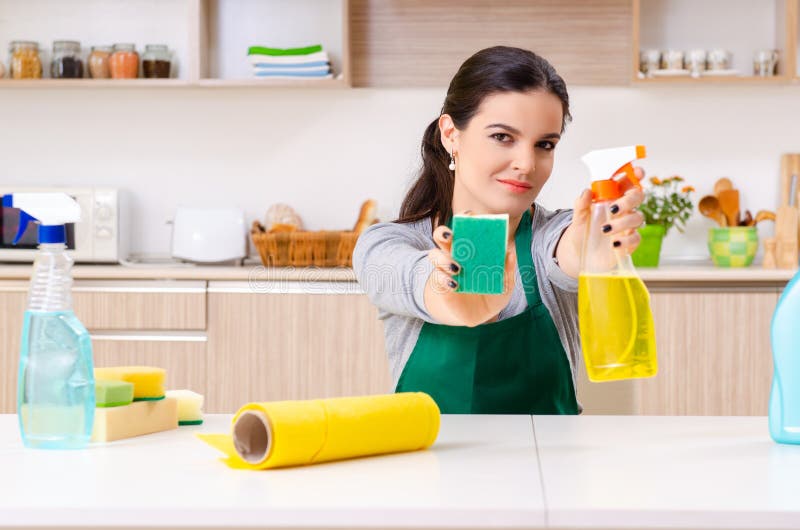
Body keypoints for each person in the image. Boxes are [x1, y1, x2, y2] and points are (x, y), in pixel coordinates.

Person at [353, 46, 644, 414]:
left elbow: (566, 252)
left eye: (544, 145)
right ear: (450, 135)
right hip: (431, 464)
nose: (526, 164)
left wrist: (590, 251)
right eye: (503, 137)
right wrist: (451, 293)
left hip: (551, 465)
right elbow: (411, 278)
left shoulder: (551, 234)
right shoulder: (389, 244)